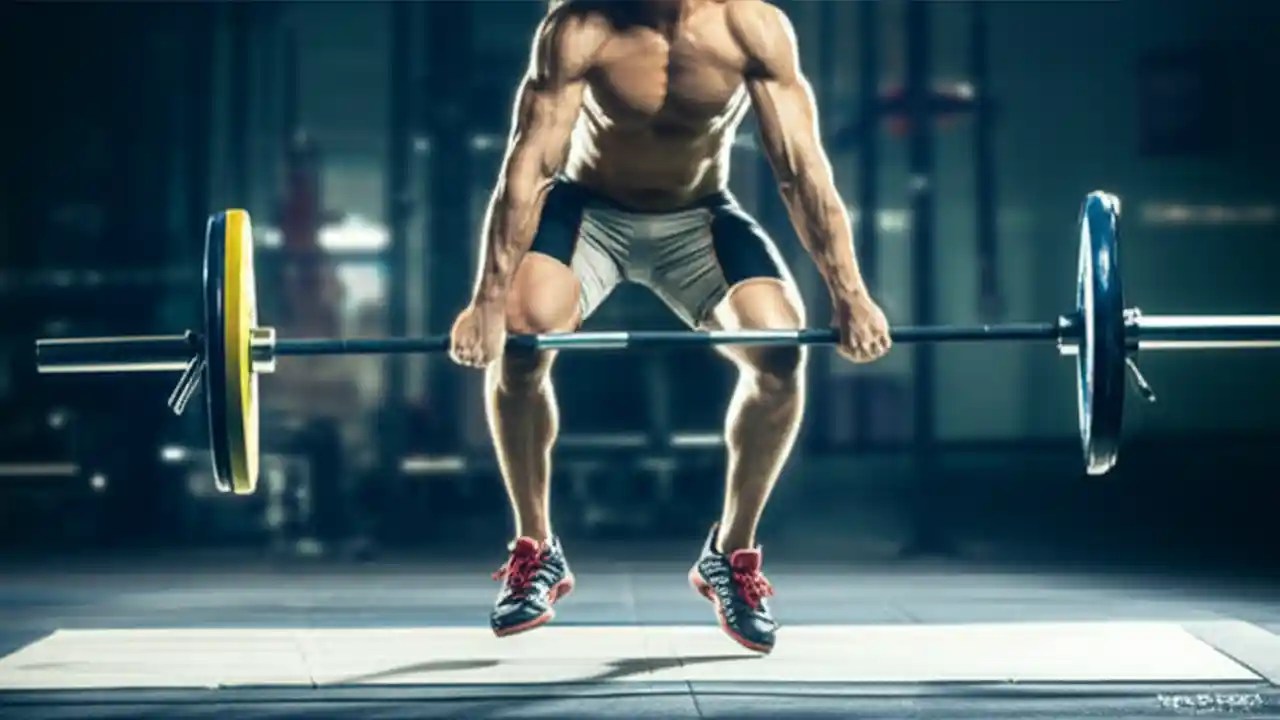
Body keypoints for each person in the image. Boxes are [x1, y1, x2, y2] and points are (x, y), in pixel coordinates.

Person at [448, 0, 891, 653]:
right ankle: (536, 548)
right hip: (589, 212)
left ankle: (730, 556)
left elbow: (800, 168)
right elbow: (532, 164)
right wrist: (487, 299)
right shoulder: (580, 27)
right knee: (522, 339)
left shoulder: (750, 27)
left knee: (780, 357)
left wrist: (850, 293)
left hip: (697, 217)